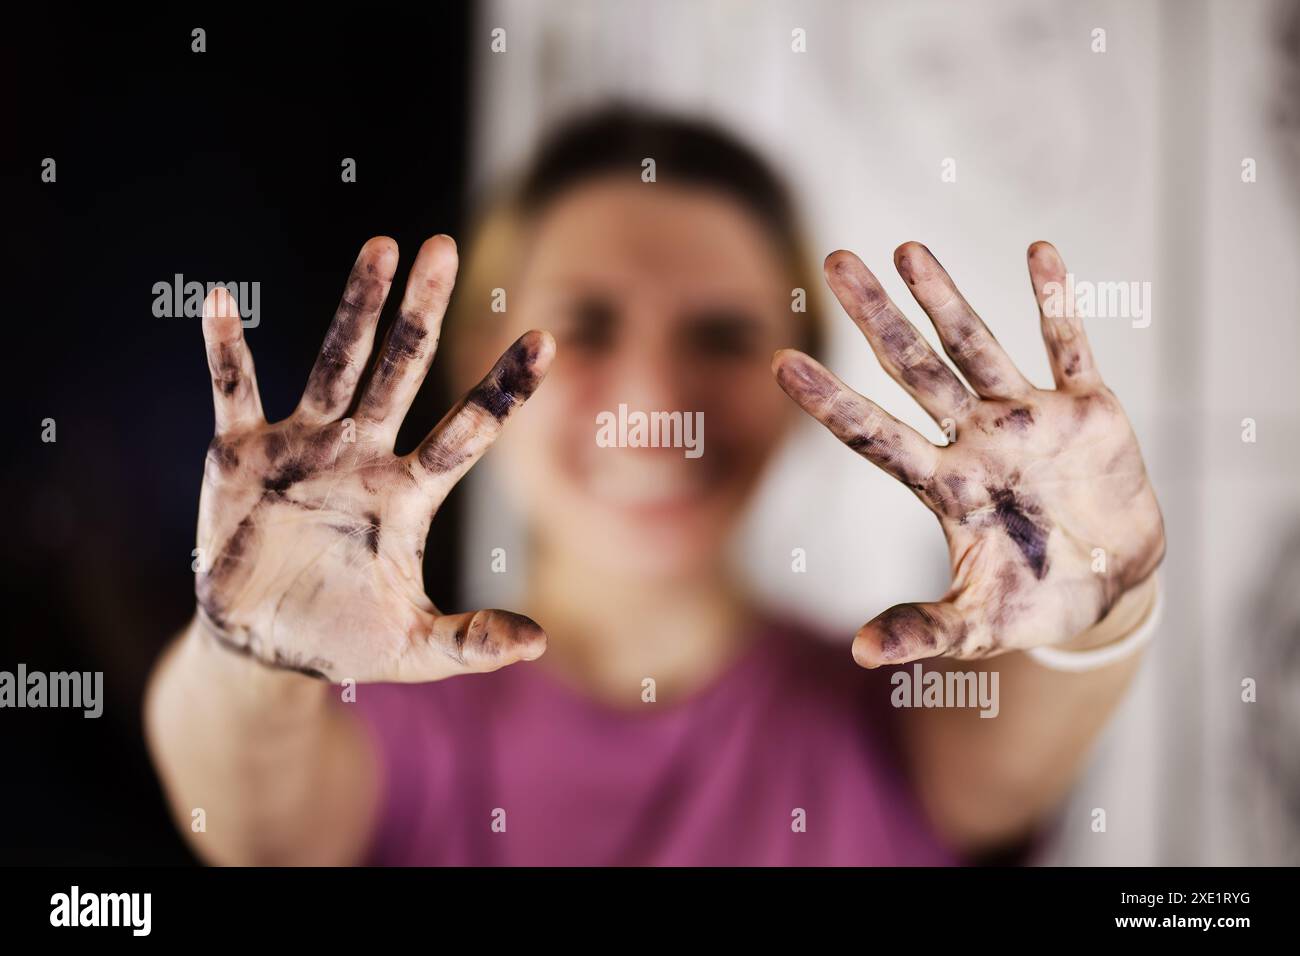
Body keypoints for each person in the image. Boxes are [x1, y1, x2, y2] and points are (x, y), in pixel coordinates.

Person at [144, 107, 1165, 865]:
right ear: (469, 359)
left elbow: (1022, 739)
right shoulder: (383, 722)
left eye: (721, 335)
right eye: (583, 327)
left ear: (803, 377)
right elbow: (249, 826)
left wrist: (1097, 590)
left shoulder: (897, 719)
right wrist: (251, 651)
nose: (647, 397)